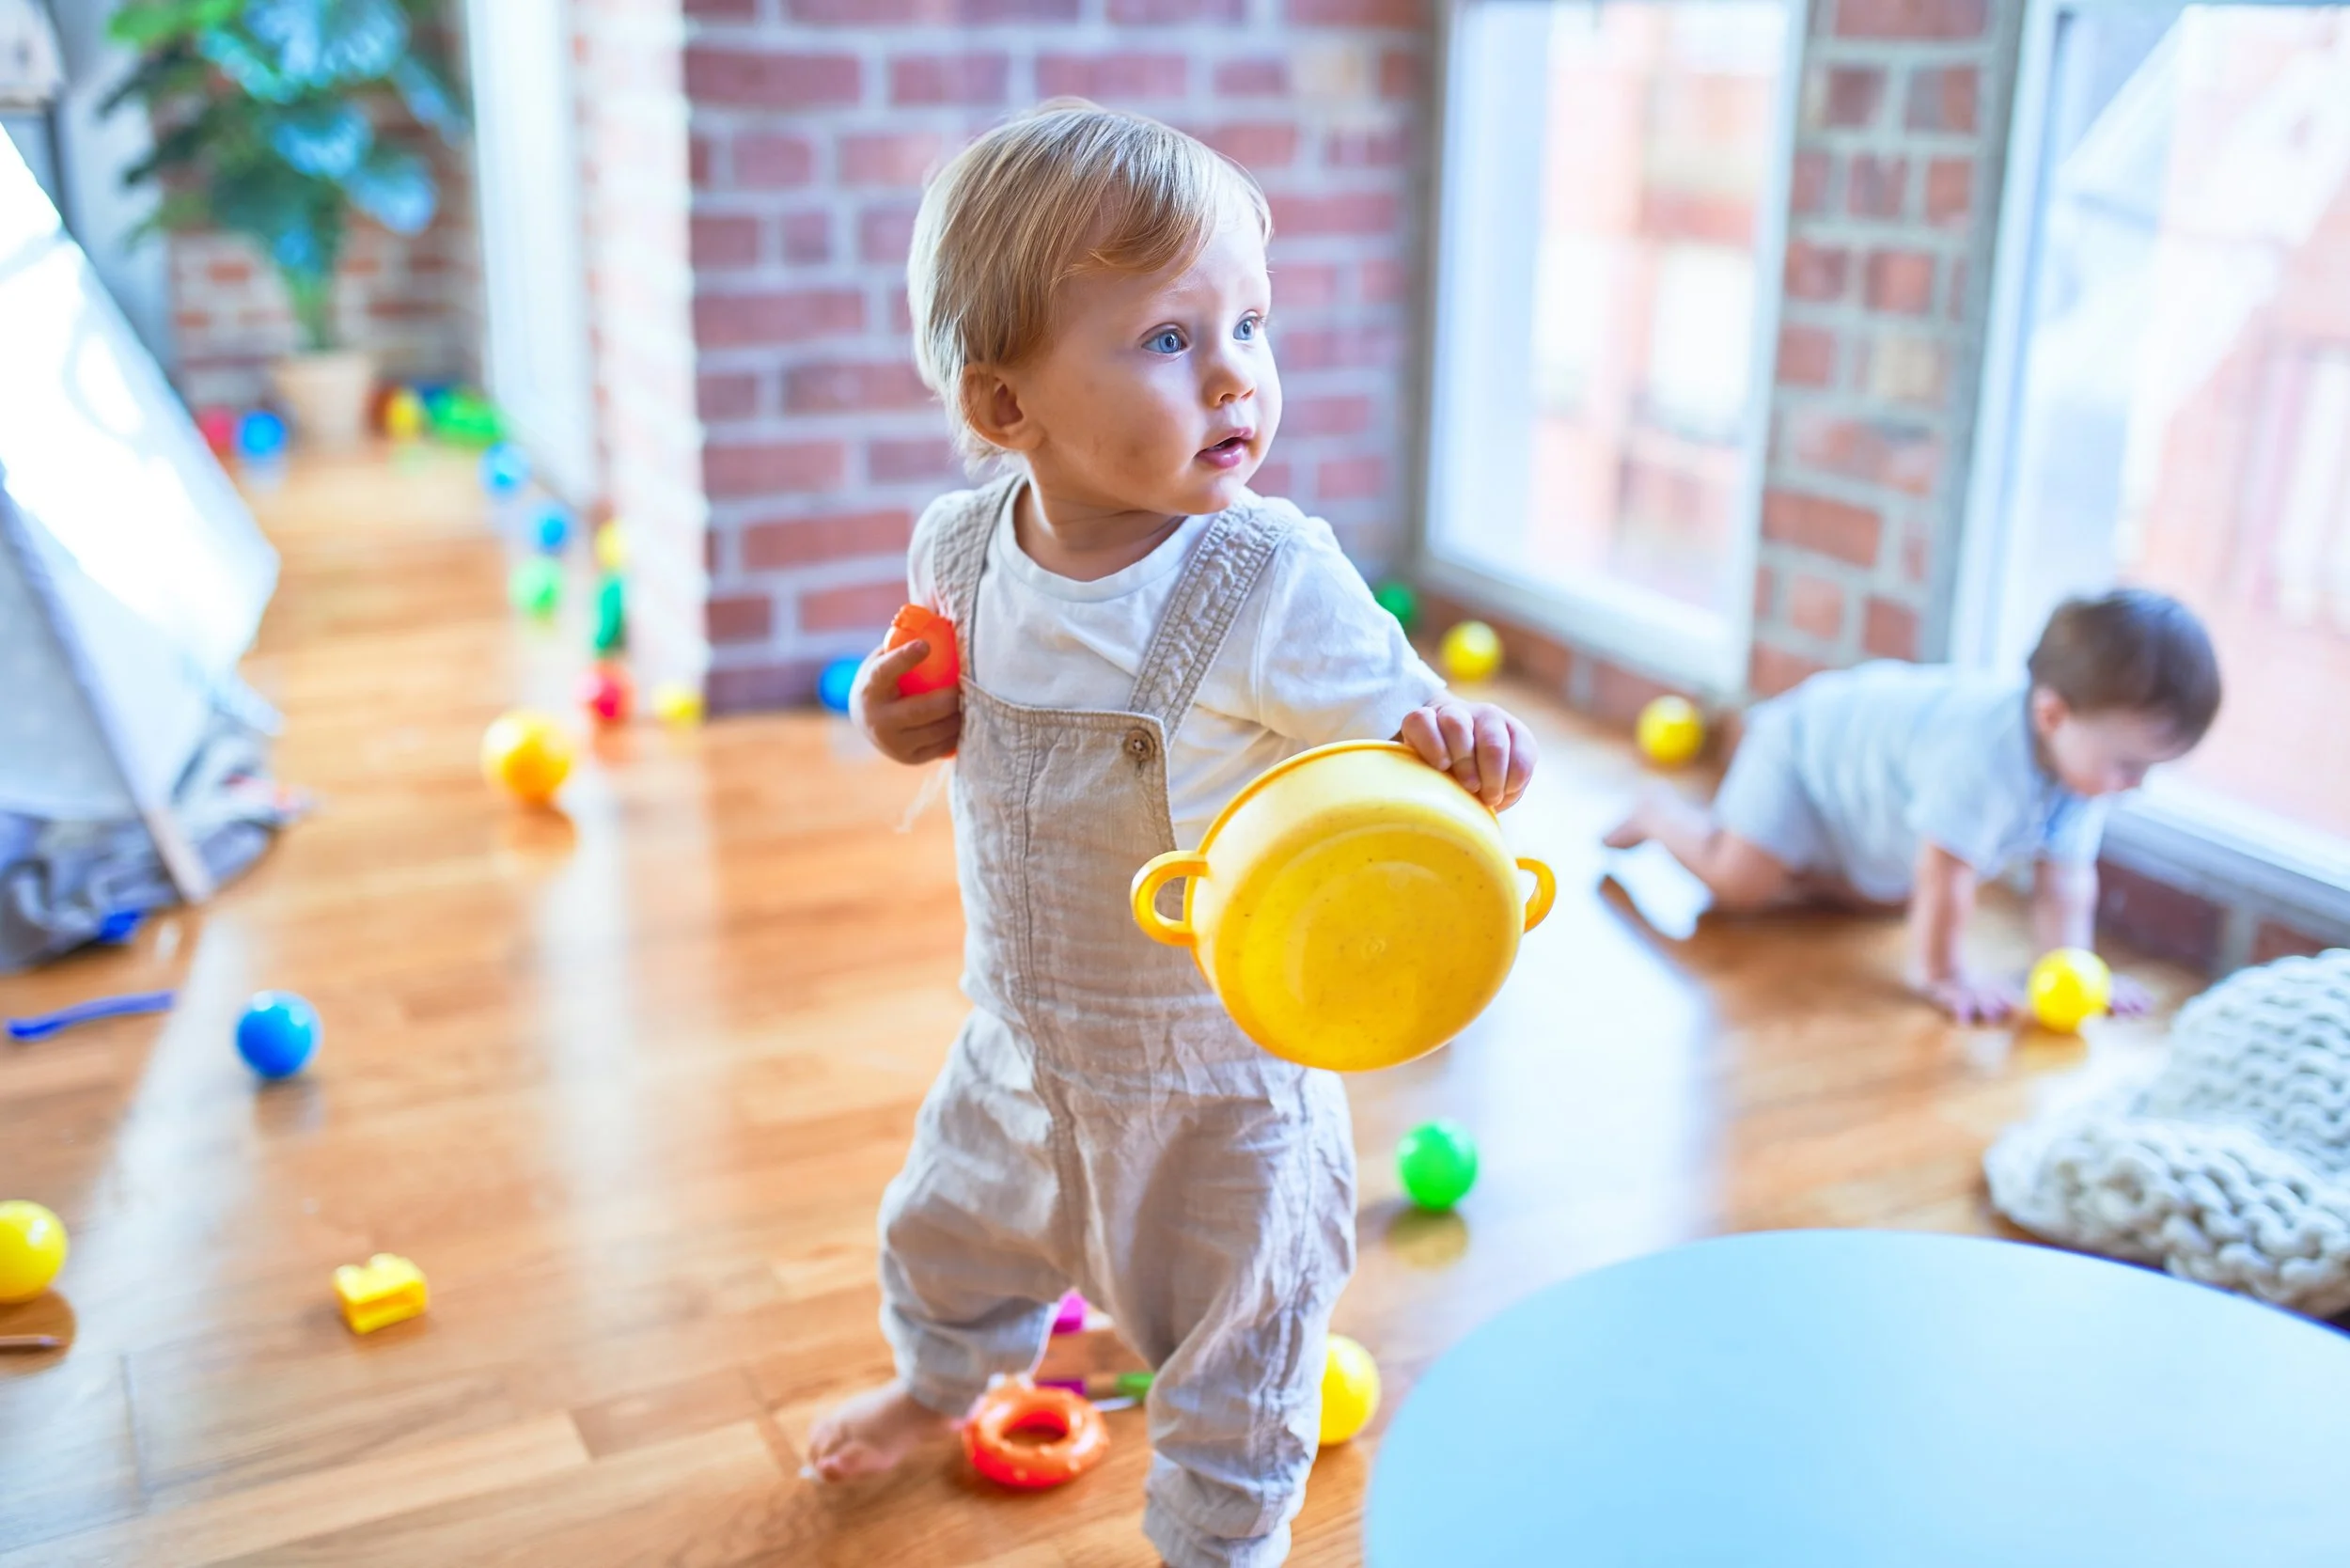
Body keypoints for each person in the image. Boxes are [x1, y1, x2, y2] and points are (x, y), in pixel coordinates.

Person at [804, 102, 1537, 1568]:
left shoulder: (1272, 578)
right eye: (1166, 340)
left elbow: (1395, 754)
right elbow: (936, 715)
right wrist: (900, 718)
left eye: (1250, 327)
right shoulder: (959, 550)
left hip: (1217, 1083)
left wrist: (1457, 758)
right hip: (1018, 1036)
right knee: (948, 1233)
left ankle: (1222, 1545)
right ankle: (935, 1383)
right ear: (1008, 411)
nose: (1235, 380)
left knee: (1238, 1346)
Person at [1605, 590, 2221, 1024]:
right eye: (2130, 766)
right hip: (1800, 751)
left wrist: (2073, 969)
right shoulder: (1984, 755)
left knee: (1891, 896)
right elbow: (1946, 874)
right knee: (1741, 886)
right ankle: (1661, 813)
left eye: (2150, 770)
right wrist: (1944, 974)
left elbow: (2066, 883)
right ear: (2052, 715)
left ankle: (1802, 865)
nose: (2135, 785)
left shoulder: (2081, 769)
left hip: (1866, 803)